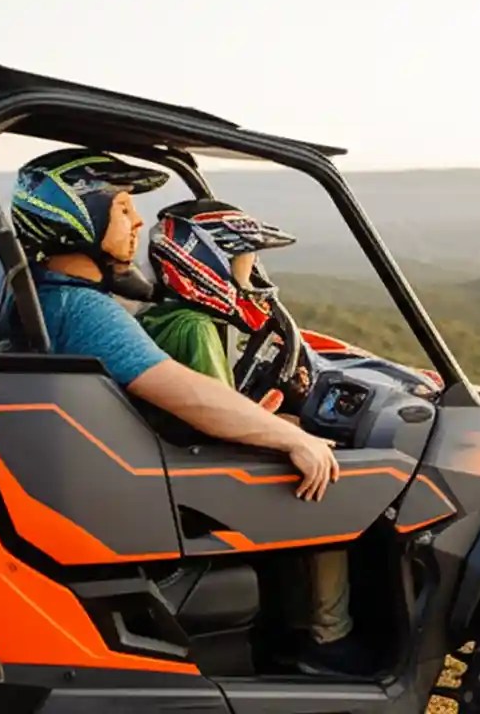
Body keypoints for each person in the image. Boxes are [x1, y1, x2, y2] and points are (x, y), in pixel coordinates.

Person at [8, 148, 356, 666]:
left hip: (100, 479)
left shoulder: (39, 294)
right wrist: (293, 436)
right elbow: (186, 393)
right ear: (79, 215)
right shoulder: (82, 308)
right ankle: (328, 645)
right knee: (342, 482)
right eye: (123, 208)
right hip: (149, 496)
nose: (137, 221)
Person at [138, 198, 365, 674]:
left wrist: (274, 418)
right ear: (207, 262)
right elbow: (217, 419)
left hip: (173, 465)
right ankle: (328, 640)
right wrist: (287, 433)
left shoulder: (158, 317)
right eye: (245, 260)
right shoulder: (194, 328)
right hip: (200, 478)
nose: (254, 273)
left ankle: (295, 627)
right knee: (334, 488)